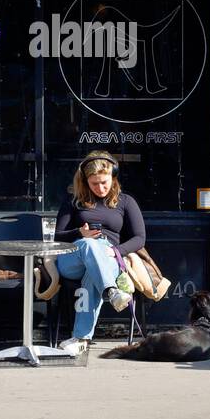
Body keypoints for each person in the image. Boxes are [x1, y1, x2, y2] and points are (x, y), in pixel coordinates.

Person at [51, 151, 147, 356]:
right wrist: (80, 233)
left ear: (113, 178)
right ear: (85, 182)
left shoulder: (126, 202)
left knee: (92, 276)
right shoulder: (73, 201)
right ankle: (112, 292)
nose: (101, 188)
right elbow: (57, 238)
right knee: (89, 244)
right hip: (73, 259)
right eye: (94, 184)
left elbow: (139, 238)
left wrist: (116, 250)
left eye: (104, 182)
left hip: (108, 259)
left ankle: (81, 339)